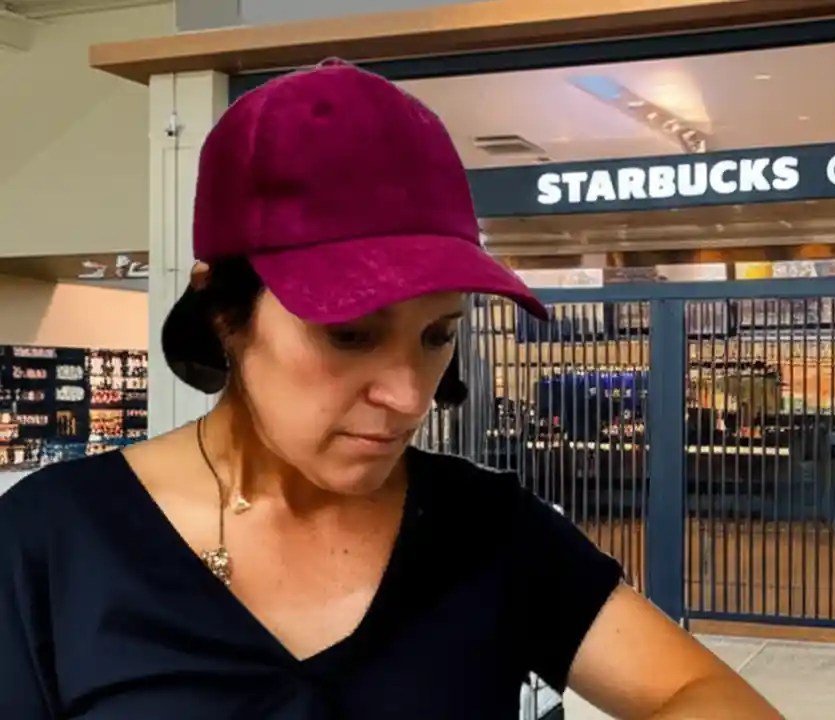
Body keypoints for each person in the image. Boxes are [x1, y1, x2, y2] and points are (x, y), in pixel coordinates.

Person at [0, 60, 781, 719]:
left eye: (438, 335)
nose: (409, 396)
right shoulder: (51, 540)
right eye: (349, 333)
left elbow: (699, 690)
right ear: (221, 309)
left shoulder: (487, 529)